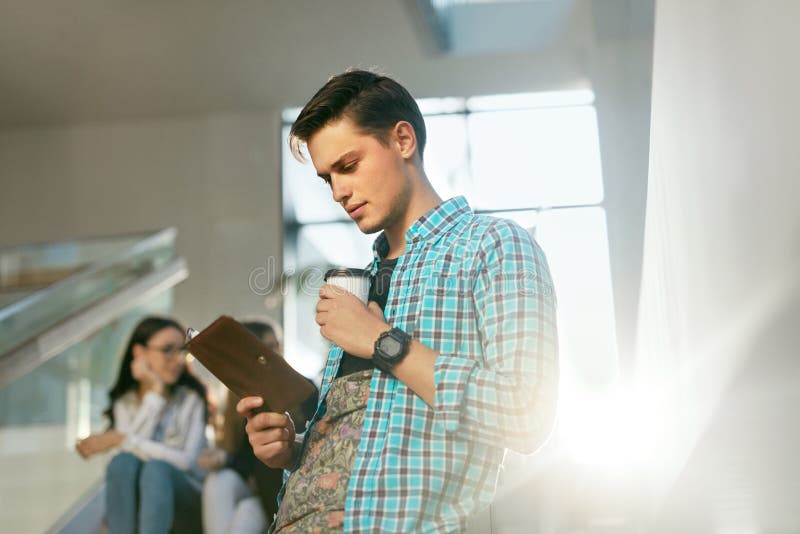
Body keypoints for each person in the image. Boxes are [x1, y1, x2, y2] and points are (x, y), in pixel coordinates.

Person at [237, 69, 559, 532]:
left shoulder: (493, 246)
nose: (338, 192)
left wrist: (385, 341)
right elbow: (367, 429)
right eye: (328, 178)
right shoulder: (362, 282)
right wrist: (293, 449)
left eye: (348, 166)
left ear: (403, 140)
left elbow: (527, 413)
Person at [76, 316, 208, 534]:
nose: (178, 359)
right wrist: (155, 395)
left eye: (182, 351)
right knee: (122, 462)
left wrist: (122, 439)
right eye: (167, 350)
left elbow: (185, 462)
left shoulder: (191, 399)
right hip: (141, 504)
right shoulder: (125, 403)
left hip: (187, 499)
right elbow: (128, 458)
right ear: (139, 353)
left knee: (156, 469)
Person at [200, 318, 318, 534]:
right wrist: (223, 458)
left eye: (278, 345)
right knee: (218, 482)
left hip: (281, 488)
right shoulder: (238, 402)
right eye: (269, 348)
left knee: (246, 510)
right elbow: (244, 458)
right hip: (252, 489)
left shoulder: (304, 391)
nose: (277, 354)